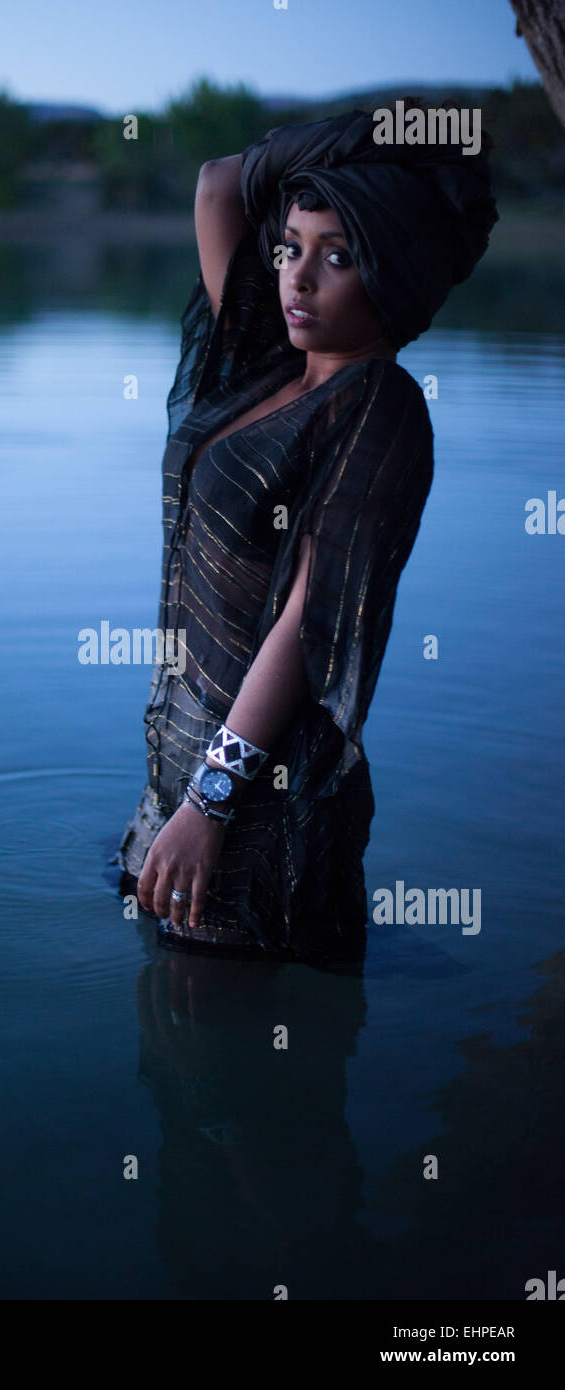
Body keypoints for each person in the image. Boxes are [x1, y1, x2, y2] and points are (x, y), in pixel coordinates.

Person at [115, 104, 498, 967]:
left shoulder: (379, 406)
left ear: (392, 273)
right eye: (291, 245)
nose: (299, 278)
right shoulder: (263, 366)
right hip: (174, 790)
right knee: (170, 1069)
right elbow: (220, 183)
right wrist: (402, 133)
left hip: (250, 813)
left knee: (241, 1073)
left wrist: (211, 802)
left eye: (340, 255)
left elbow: (306, 617)